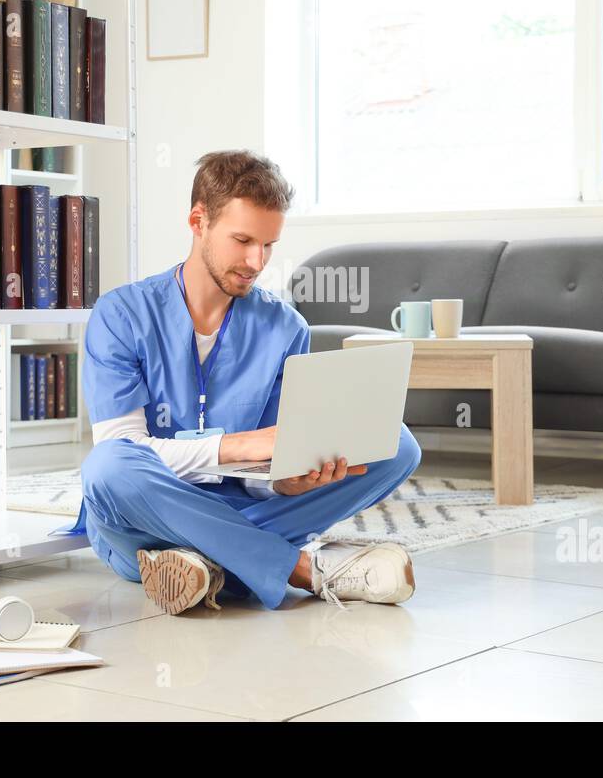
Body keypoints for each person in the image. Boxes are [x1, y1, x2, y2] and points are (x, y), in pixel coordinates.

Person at [68, 149, 421, 614]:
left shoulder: (286, 327)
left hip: (243, 507)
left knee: (397, 444)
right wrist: (239, 445)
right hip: (143, 522)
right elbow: (125, 450)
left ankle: (206, 563)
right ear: (198, 221)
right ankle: (301, 569)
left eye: (269, 245)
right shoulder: (121, 314)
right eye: (243, 240)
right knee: (108, 466)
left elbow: (268, 467)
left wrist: (288, 483)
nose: (257, 261)